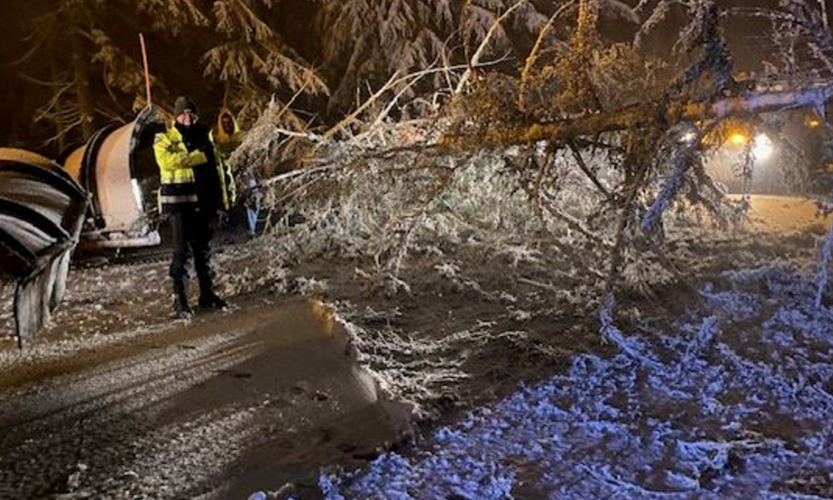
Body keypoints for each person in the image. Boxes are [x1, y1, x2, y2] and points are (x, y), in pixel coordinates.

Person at [154, 96, 236, 317]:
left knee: (203, 251)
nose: (187, 117)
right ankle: (179, 300)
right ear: (176, 116)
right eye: (183, 113)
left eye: (191, 112)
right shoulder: (164, 139)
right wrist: (197, 156)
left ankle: (207, 294)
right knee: (181, 251)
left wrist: (226, 196)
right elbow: (167, 162)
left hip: (204, 202)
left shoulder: (207, 136)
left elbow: (221, 168)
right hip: (179, 204)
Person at [215, 109, 261, 237]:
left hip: (245, 172)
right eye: (224, 123)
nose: (227, 125)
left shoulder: (242, 136)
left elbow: (251, 153)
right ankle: (232, 229)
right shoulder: (218, 140)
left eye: (229, 122)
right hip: (227, 176)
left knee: (252, 198)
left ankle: (251, 227)